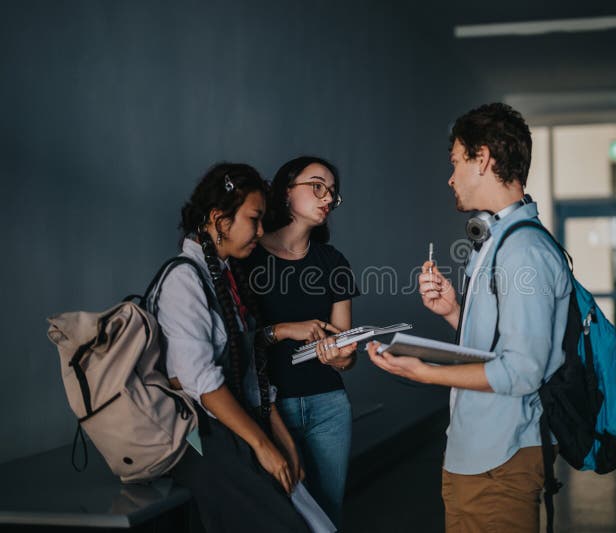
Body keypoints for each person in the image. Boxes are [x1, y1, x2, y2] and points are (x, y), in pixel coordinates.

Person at [367, 103, 572, 533]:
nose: (451, 176)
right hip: (476, 454)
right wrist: (454, 311)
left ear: (483, 159)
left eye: (456, 162)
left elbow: (522, 371)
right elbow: (499, 347)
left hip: (501, 459)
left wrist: (426, 373)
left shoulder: (524, 252)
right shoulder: (498, 241)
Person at [151, 163, 310, 533]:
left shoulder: (224, 277)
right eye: (253, 219)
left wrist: (283, 440)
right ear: (220, 221)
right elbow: (202, 383)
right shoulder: (183, 281)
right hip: (196, 440)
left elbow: (249, 379)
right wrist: (263, 446)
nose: (259, 231)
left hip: (229, 430)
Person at [243, 156, 360, 527]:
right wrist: (284, 330)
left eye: (332, 193)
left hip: (329, 407)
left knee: (327, 517)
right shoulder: (248, 258)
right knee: (280, 518)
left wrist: (340, 357)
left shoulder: (333, 262)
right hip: (270, 413)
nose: (327, 197)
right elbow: (236, 344)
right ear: (286, 191)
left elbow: (346, 353)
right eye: (317, 186)